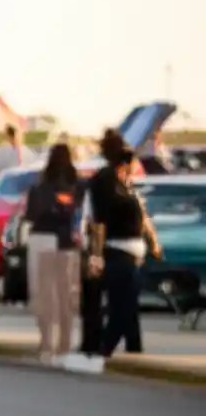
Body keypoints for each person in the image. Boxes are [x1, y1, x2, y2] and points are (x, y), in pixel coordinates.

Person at [95, 147, 162, 359]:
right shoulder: (114, 195)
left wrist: (154, 243)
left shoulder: (128, 191)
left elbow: (144, 220)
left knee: (129, 307)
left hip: (131, 257)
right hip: (119, 256)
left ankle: (134, 348)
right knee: (122, 308)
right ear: (123, 167)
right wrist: (96, 255)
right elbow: (99, 226)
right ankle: (102, 349)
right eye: (132, 167)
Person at [23, 144, 81, 365]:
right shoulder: (75, 187)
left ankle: (46, 344)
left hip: (43, 239)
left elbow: (31, 215)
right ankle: (65, 344)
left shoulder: (39, 188)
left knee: (44, 295)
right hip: (67, 243)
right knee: (65, 296)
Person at [74, 129, 126, 366]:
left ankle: (91, 343)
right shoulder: (112, 181)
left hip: (99, 245)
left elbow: (95, 218)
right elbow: (100, 219)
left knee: (93, 301)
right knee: (101, 300)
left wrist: (95, 252)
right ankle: (95, 344)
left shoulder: (104, 179)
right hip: (105, 246)